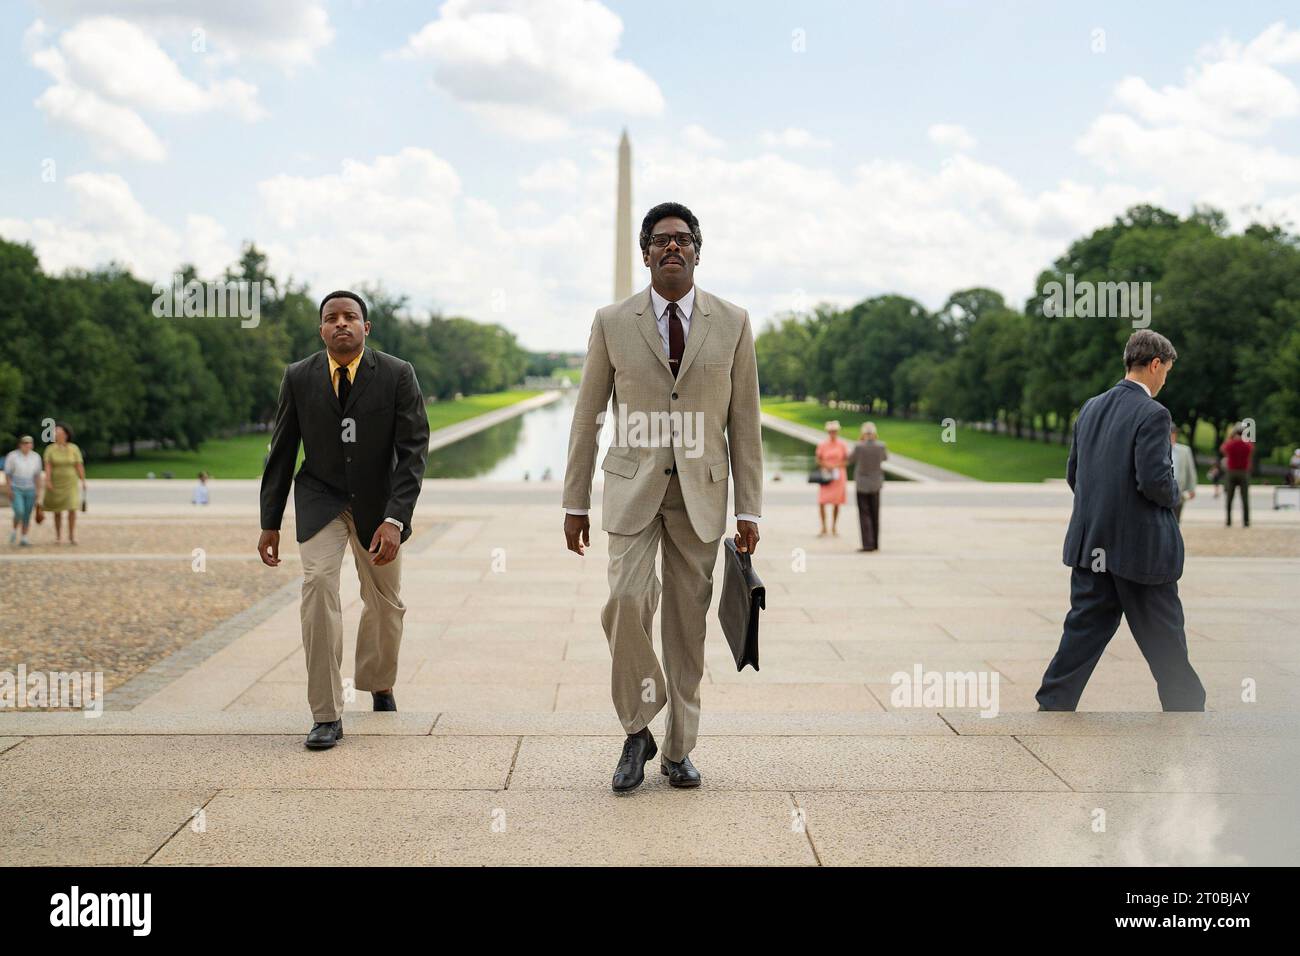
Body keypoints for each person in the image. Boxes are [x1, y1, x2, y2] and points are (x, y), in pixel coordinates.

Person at [563, 201, 763, 793]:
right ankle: (636, 727)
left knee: (686, 626)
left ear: (698, 250)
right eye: (659, 240)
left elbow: (744, 421)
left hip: (701, 493)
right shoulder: (610, 321)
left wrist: (749, 508)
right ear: (645, 251)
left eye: (682, 239)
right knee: (625, 603)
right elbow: (586, 414)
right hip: (632, 486)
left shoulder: (733, 321)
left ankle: (678, 748)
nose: (671, 247)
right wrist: (575, 500)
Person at [258, 290, 430, 750]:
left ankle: (378, 681)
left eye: (350, 316)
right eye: (331, 318)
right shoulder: (298, 377)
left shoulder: (397, 374)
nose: (341, 323)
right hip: (321, 500)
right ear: (321, 330)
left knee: (385, 602)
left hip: (380, 504)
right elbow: (281, 451)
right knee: (317, 588)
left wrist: (395, 519)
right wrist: (269, 520)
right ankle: (326, 713)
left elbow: (413, 452)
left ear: (365, 327)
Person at [1036, 330, 1205, 712]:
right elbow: (1155, 482)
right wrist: (1176, 493)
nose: (1165, 380)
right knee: (1164, 638)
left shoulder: (1091, 407)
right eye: (1167, 371)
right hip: (1140, 551)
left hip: (1091, 545)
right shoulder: (1154, 413)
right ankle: (1187, 709)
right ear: (1156, 364)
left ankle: (1054, 702)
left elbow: (1074, 475)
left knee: (1083, 631)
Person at [42, 423, 85, 545]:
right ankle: (58, 535)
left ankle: (71, 535)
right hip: (56, 482)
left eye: (58, 432)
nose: (55, 434)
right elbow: (48, 466)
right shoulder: (50, 449)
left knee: (72, 508)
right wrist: (48, 480)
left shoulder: (73, 448)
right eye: (55, 432)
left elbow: (78, 465)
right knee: (57, 510)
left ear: (65, 434)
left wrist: (83, 480)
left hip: (70, 482)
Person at [851, 421, 888, 550]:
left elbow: (851, 459)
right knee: (875, 514)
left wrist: (860, 441)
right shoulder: (881, 446)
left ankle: (867, 544)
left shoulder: (858, 446)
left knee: (864, 514)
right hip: (875, 484)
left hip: (862, 484)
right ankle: (875, 543)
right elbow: (884, 458)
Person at [4, 435, 43, 546]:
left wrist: (38, 491)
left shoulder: (35, 457)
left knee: (27, 514)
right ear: (20, 444)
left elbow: (37, 475)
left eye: (29, 443)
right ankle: (14, 529)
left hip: (30, 488)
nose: (27, 445)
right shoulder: (12, 456)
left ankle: (24, 536)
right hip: (16, 488)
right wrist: (9, 488)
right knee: (19, 511)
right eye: (25, 443)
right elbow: (8, 474)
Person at [815, 420, 850, 536]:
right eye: (830, 431)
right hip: (826, 475)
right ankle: (823, 527)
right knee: (822, 501)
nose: (832, 433)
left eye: (834, 431)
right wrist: (826, 465)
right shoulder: (823, 444)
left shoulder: (842, 444)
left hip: (838, 475)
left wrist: (836, 466)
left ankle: (834, 526)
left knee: (837, 502)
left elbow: (847, 460)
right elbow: (818, 459)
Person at [1220, 424, 1253, 527]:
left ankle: (1228, 520)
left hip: (1231, 472)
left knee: (1229, 498)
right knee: (1245, 498)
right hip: (1243, 472)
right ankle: (1246, 521)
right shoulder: (1247, 444)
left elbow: (1222, 449)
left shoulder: (1230, 443)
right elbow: (1251, 450)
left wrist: (1230, 437)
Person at [1170, 426, 1196, 523]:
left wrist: (1191, 488)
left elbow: (1190, 469)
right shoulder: (1160, 450)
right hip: (1165, 488)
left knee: (1177, 518)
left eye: (1173, 434)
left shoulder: (1184, 450)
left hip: (1179, 489)